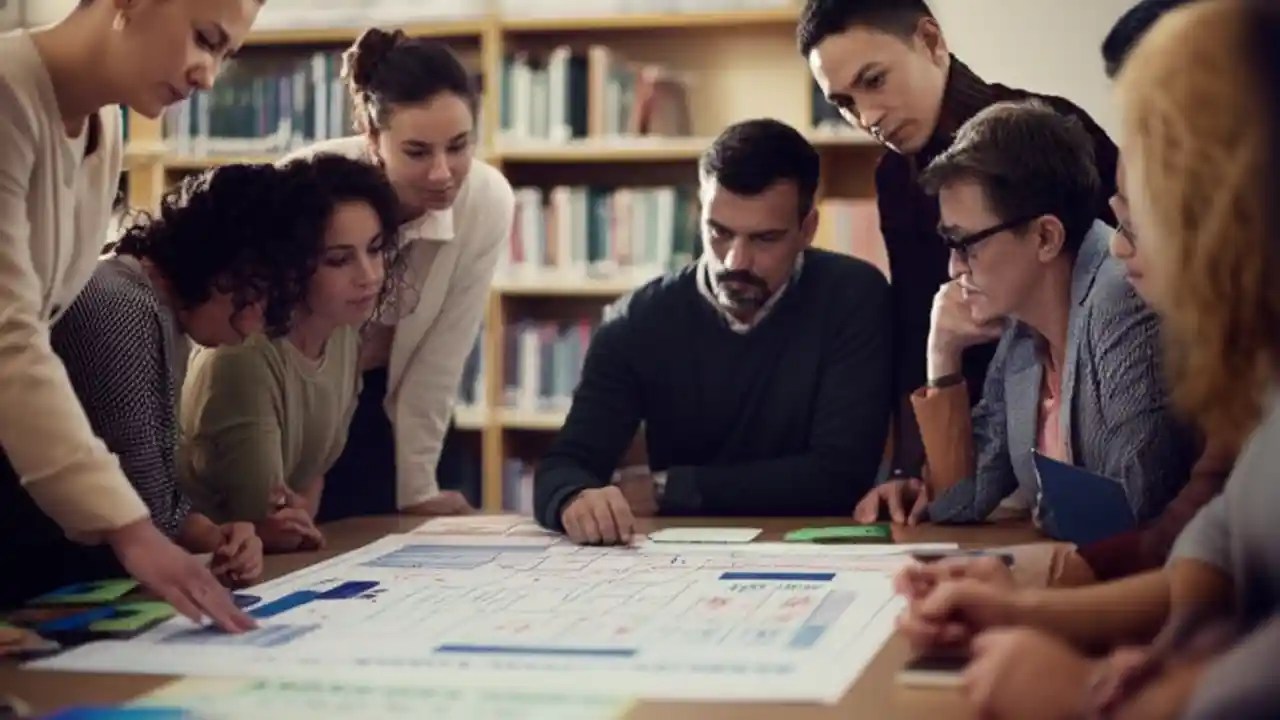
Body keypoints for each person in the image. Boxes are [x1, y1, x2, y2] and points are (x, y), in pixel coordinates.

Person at [896, 2, 1280, 717]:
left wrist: (1089, 695)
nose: (1124, 242)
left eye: (1142, 211)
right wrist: (1022, 609)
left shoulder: (1122, 304)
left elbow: (1154, 522)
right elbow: (1206, 554)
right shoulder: (1023, 335)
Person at [0, 0, 262, 629]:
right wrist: (132, 529)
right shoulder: (8, 97)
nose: (208, 76)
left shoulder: (104, 125)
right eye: (204, 39)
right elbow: (9, 335)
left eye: (224, 55)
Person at [799, 0, 1119, 490]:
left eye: (875, 80)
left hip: (1093, 425)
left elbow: (1132, 276)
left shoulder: (1048, 131)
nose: (867, 117)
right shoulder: (894, 176)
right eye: (844, 102)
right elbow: (915, 320)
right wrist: (907, 470)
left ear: (931, 41)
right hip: (972, 449)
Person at [532, 118, 893, 545]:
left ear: (807, 230)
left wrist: (668, 488)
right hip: (683, 553)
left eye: (764, 239)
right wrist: (575, 498)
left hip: (819, 545)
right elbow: (563, 466)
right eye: (718, 232)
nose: (735, 261)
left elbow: (839, 476)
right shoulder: (638, 319)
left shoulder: (853, 296)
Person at [851, 99, 1192, 533]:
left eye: (966, 244)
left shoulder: (1123, 299)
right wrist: (942, 355)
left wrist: (1038, 530)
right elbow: (960, 502)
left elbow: (1135, 511)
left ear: (1046, 237)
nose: (954, 268)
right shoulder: (1023, 322)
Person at [4, 163, 326, 604]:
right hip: (34, 581)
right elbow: (144, 507)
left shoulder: (154, 304)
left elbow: (153, 497)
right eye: (256, 295)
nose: (254, 325)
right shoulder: (125, 309)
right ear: (220, 262)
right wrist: (214, 538)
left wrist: (222, 536)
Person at [280, 28, 515, 522]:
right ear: (373, 139)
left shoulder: (486, 201)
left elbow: (443, 353)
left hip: (398, 401)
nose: (442, 173)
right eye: (417, 152)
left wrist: (418, 489)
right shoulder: (304, 186)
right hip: (296, 404)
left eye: (458, 146)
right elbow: (263, 348)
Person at [179, 154, 401, 553]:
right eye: (339, 260)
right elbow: (261, 515)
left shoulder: (344, 332)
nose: (370, 276)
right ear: (292, 264)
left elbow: (308, 483)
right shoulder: (243, 355)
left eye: (375, 249)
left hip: (272, 556)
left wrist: (294, 517)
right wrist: (288, 520)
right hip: (208, 560)